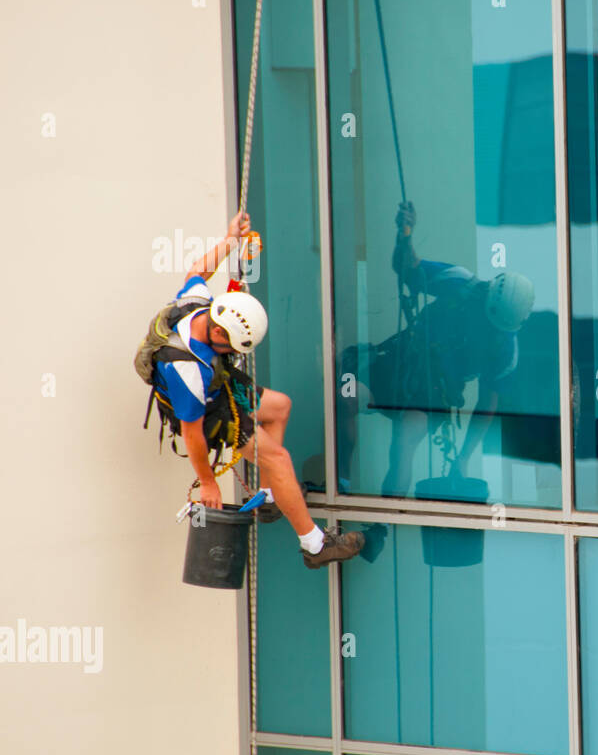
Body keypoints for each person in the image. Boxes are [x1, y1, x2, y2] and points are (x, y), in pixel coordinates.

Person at [141, 212, 364, 569]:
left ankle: (273, 495)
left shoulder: (198, 306)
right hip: (212, 412)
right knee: (277, 458)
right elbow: (192, 434)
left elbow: (197, 271)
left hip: (220, 387)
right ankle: (315, 544)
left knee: (279, 406)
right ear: (218, 335)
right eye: (232, 349)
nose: (233, 355)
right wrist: (208, 483)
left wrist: (230, 240)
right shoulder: (188, 370)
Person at [336, 201, 534, 498]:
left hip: (431, 396)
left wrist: (464, 457)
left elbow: (486, 407)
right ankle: (341, 483)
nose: (490, 330)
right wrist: (405, 234)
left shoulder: (504, 348)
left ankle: (381, 523)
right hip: (396, 364)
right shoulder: (461, 284)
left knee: (403, 442)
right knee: (346, 399)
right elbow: (407, 270)